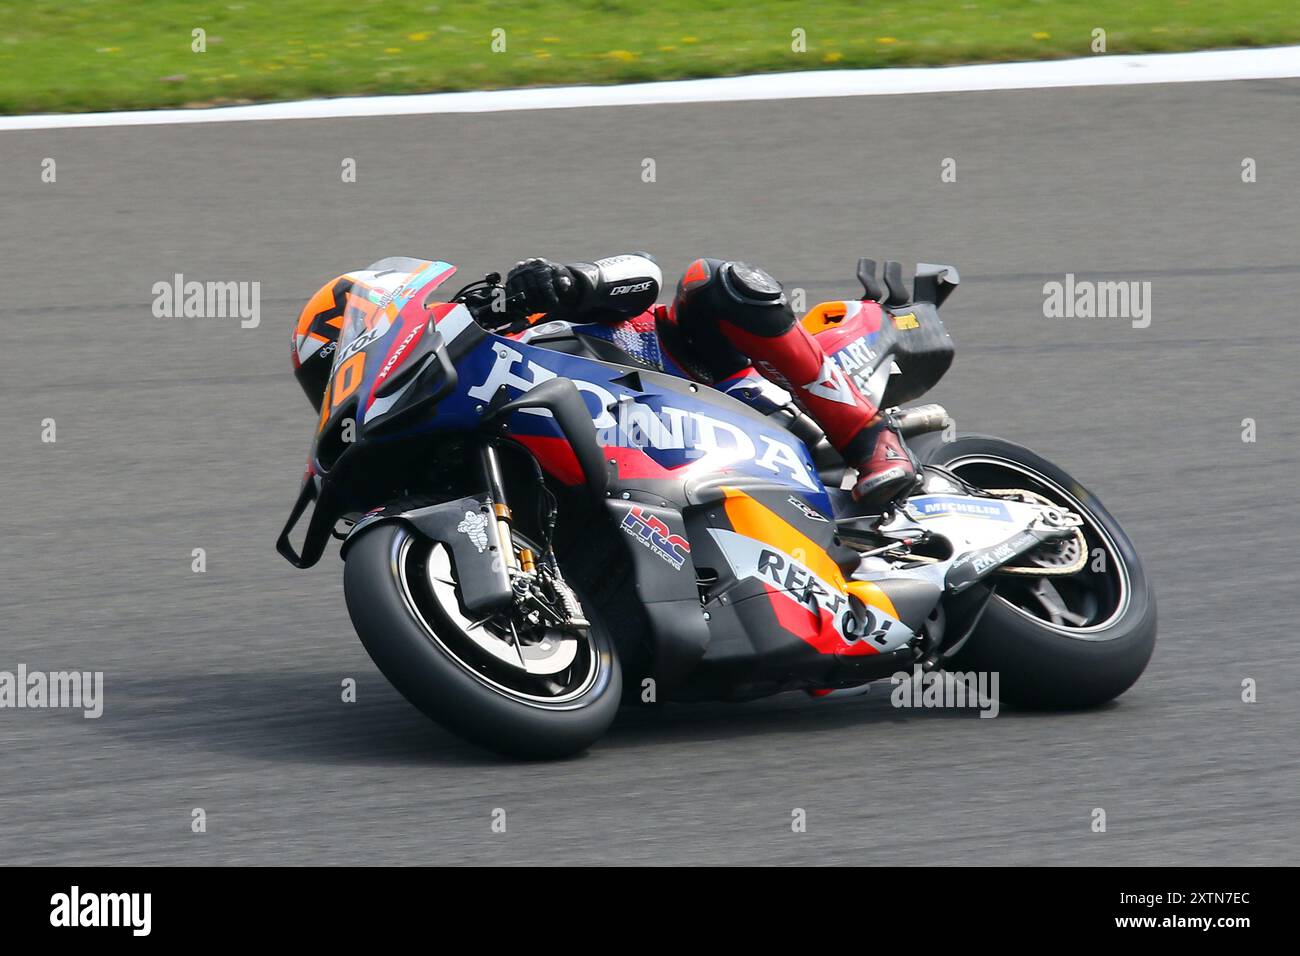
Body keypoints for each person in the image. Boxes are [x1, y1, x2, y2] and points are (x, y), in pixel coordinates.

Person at [505, 253, 917, 506]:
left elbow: (641, 270)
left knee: (718, 280)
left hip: (706, 379)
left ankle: (871, 440)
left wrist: (567, 281)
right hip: (647, 471)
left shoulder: (515, 322)